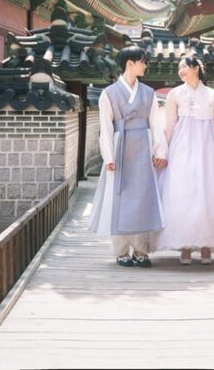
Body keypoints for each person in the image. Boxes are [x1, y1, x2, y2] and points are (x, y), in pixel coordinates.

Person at [154, 54, 214, 265]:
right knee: (183, 193)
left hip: (208, 149)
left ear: (196, 67)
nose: (180, 70)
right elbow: (168, 127)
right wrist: (161, 151)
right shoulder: (175, 94)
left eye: (184, 66)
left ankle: (206, 247)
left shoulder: (212, 95)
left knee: (208, 194)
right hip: (182, 148)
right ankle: (185, 247)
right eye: (179, 67)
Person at [89, 45, 168, 267]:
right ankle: (121, 251)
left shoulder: (149, 93)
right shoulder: (109, 93)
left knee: (143, 198)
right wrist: (109, 157)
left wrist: (159, 151)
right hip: (119, 146)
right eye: (142, 61)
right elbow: (105, 127)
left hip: (143, 145)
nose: (146, 65)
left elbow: (156, 124)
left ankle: (142, 251)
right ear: (130, 63)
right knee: (120, 198)